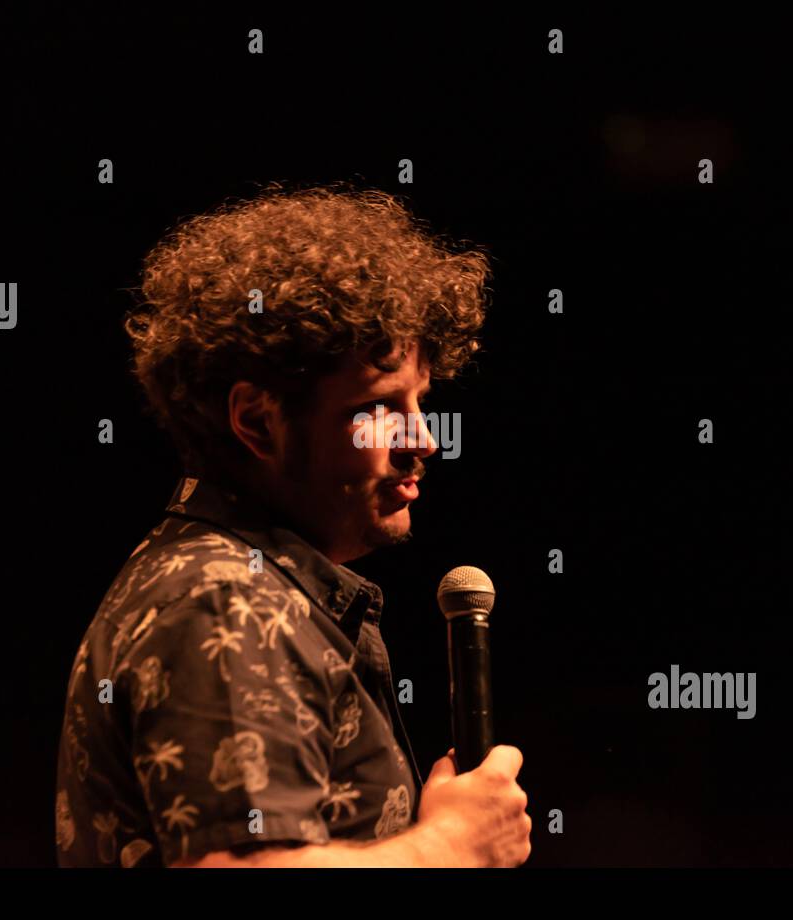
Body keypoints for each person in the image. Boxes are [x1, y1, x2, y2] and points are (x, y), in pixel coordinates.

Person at [55, 184, 531, 867]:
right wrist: (449, 846)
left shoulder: (231, 578)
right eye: (379, 406)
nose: (424, 438)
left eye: (421, 401)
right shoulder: (225, 597)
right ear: (257, 420)